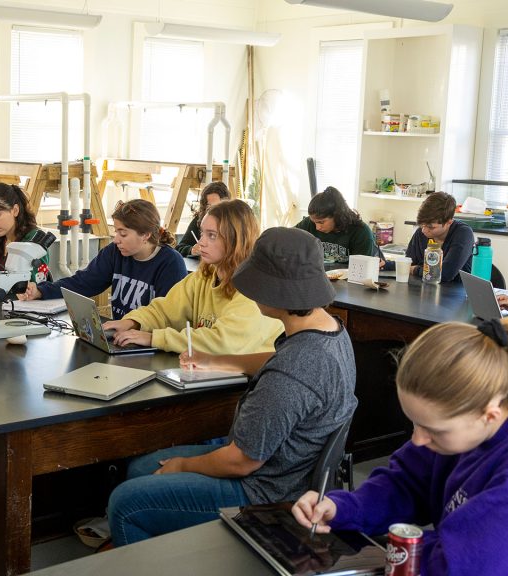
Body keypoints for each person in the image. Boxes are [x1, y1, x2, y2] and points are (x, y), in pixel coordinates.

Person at [106, 227, 358, 546]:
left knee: (125, 503)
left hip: (260, 490)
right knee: (141, 467)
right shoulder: (328, 331)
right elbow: (275, 360)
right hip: (284, 470)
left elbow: (241, 461)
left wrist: (181, 466)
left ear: (276, 293)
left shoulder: (295, 370)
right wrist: (217, 360)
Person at [293, 318, 508, 576]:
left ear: (488, 414)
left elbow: (458, 567)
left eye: (432, 430)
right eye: (414, 423)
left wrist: (389, 556)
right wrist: (342, 508)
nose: (418, 439)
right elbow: (407, 483)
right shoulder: (467, 421)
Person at [103, 199, 283, 355]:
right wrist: (132, 322)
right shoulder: (205, 276)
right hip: (214, 373)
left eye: (211, 236)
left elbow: (222, 343)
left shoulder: (256, 287)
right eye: (202, 233)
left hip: (250, 385)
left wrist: (154, 338)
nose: (201, 242)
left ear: (235, 239)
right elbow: (165, 309)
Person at [19, 199, 186, 319]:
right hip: (121, 339)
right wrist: (41, 290)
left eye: (123, 234)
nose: (116, 239)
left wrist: (132, 327)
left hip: (149, 344)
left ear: (146, 235)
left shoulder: (171, 263)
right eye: (116, 232)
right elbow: (83, 283)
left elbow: (167, 318)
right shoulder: (115, 252)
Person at [295, 186, 378, 264]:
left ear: (337, 216)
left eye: (321, 222)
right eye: (314, 222)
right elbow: (287, 240)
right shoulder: (308, 223)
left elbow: (361, 271)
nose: (317, 227)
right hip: (315, 276)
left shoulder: (361, 232)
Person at [405, 191, 475, 282]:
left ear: (448, 222)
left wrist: (415, 270)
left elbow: (445, 274)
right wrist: (385, 264)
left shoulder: (463, 234)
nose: (424, 230)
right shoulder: (421, 232)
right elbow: (407, 263)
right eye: (422, 225)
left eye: (431, 227)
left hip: (455, 292)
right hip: (426, 289)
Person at [175, 181, 230, 258]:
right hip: (202, 267)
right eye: (209, 206)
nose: (213, 211)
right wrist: (191, 250)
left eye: (217, 206)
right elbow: (179, 248)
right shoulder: (199, 220)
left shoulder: (233, 222)